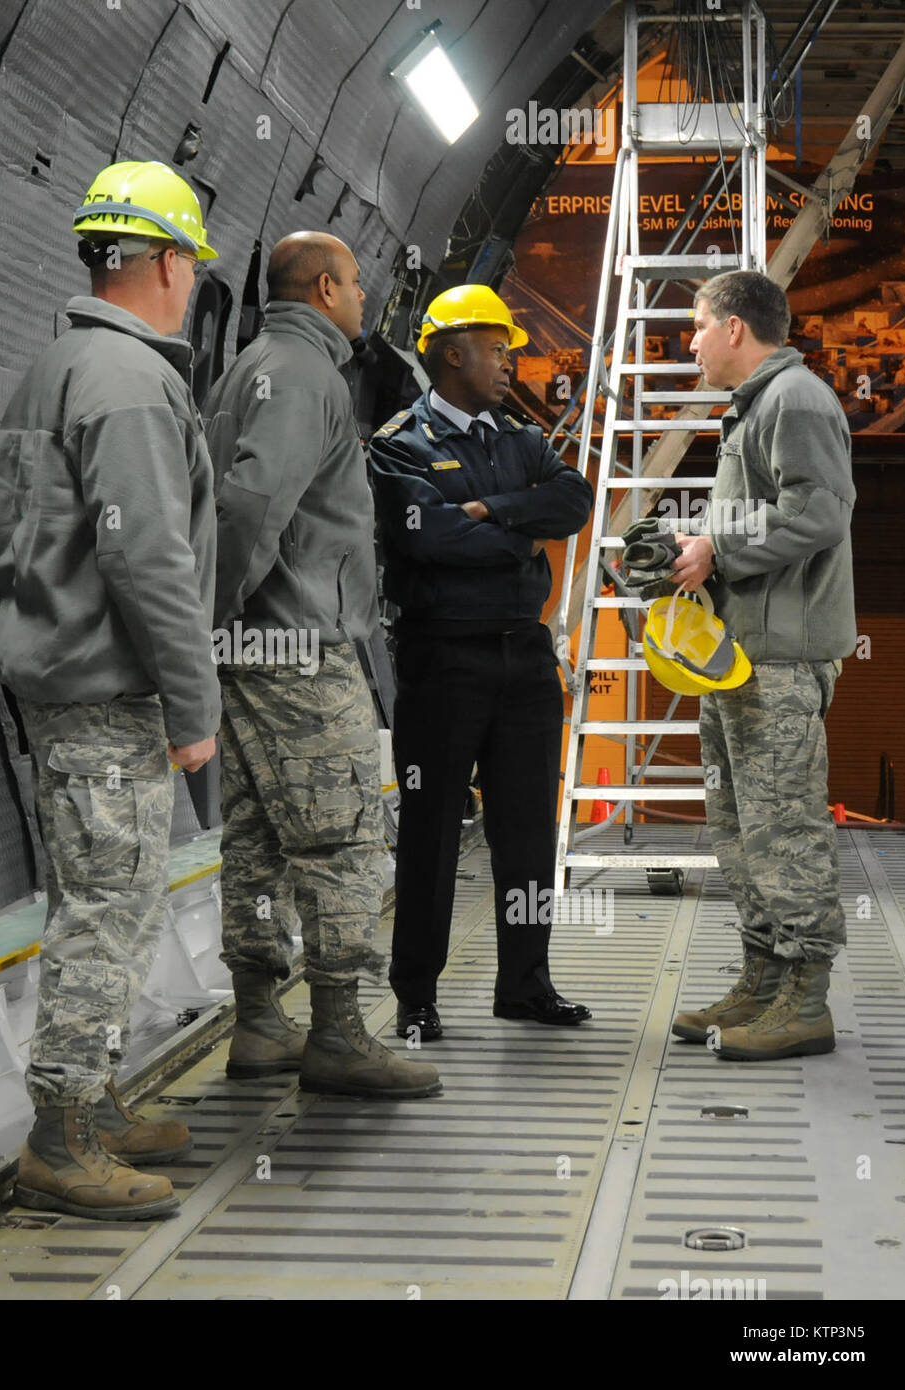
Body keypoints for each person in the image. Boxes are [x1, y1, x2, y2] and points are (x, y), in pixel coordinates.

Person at [0, 161, 220, 1219]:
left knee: (93, 898)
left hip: (60, 677)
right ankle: (63, 1138)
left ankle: (96, 1096)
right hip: (108, 689)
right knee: (107, 910)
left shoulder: (52, 368)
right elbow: (148, 560)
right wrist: (194, 705)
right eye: (193, 265)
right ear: (170, 261)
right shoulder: (131, 383)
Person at [203, 231, 440, 1099]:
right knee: (342, 834)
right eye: (357, 286)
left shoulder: (249, 367)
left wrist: (217, 626)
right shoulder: (307, 376)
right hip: (297, 644)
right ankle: (339, 1029)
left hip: (258, 644)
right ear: (328, 287)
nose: (365, 302)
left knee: (259, 836)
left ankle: (262, 1021)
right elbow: (253, 504)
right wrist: (218, 610)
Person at [368, 284, 594, 1040]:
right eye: (498, 349)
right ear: (451, 352)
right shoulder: (399, 442)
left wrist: (488, 512)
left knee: (528, 831)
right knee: (431, 831)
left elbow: (573, 501)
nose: (508, 363)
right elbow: (421, 539)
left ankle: (525, 984)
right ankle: (416, 998)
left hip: (524, 659)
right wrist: (515, 532)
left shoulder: (518, 437)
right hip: (444, 659)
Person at [670, 269, 855, 1061]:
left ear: (736, 328)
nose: (691, 342)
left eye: (698, 326)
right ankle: (764, 981)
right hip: (739, 657)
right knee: (743, 831)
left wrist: (721, 547)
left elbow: (821, 508)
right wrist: (695, 556)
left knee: (786, 832)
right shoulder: (754, 405)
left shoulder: (796, 400)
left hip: (779, 661)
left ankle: (806, 1002)